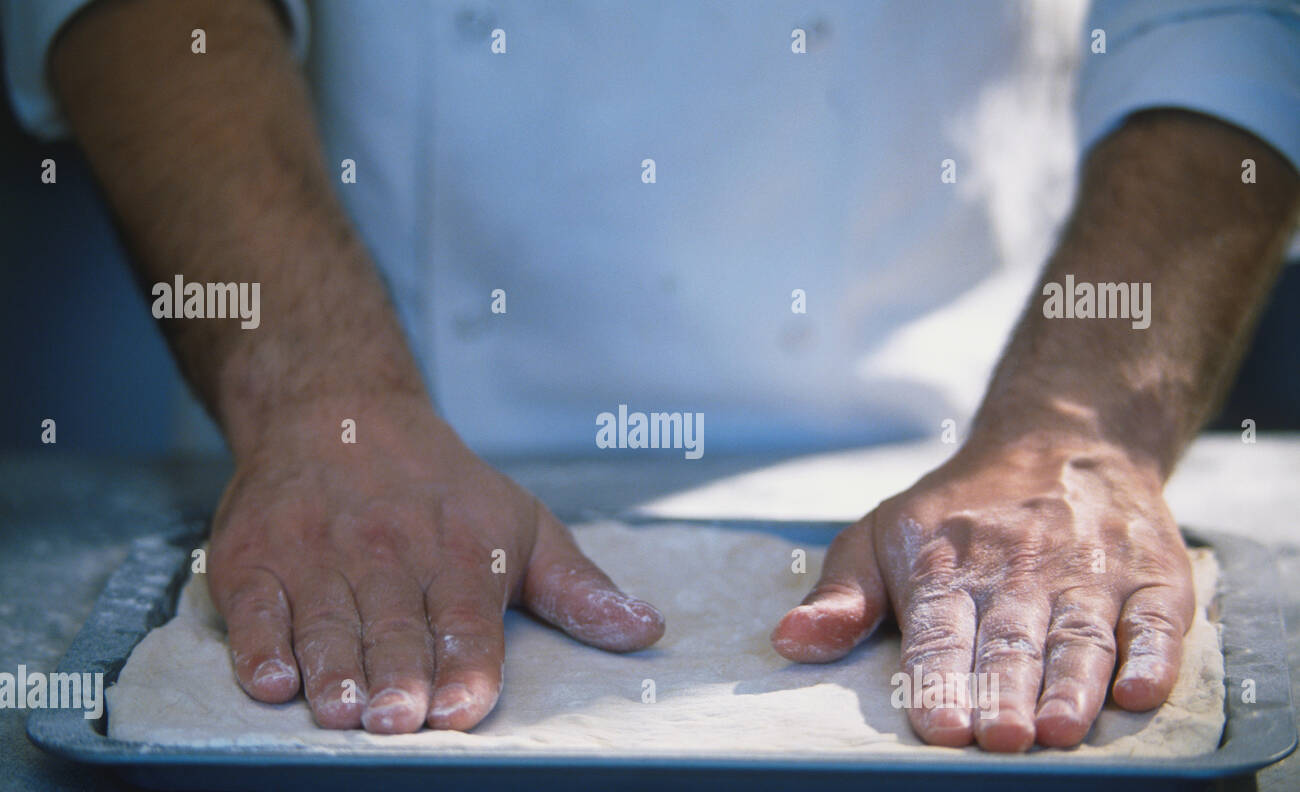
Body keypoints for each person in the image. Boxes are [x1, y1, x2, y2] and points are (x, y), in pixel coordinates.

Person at [5, 0, 1297, 751]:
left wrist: (1077, 422)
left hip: (949, 443)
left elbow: (1226, 18)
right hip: (358, 431)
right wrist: (314, 397)